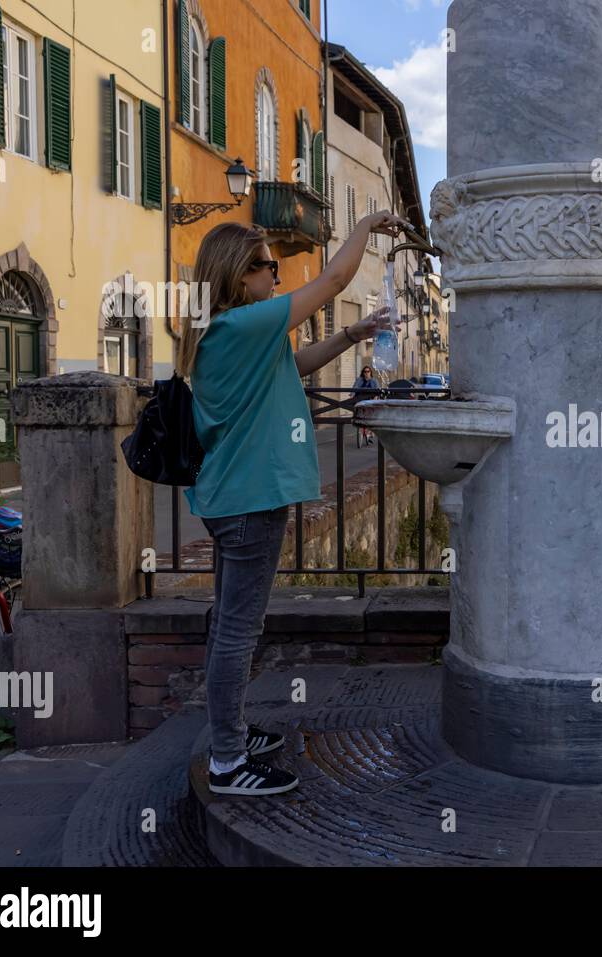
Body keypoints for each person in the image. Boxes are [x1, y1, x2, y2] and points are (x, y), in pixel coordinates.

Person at [177, 208, 409, 796]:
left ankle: (229, 733)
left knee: (231, 626)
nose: (277, 279)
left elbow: (294, 365)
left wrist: (350, 336)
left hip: (233, 496)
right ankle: (228, 762)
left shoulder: (225, 331)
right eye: (268, 268)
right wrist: (366, 227)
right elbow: (332, 282)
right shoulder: (241, 325)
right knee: (238, 630)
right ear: (238, 275)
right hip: (251, 498)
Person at [353, 365, 381, 445]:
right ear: (363, 373)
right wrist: (352, 395)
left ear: (370, 373)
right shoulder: (359, 380)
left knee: (371, 416)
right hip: (361, 400)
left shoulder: (374, 381)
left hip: (371, 400)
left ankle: (371, 432)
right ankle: (360, 427)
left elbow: (377, 391)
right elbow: (355, 388)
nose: (366, 373)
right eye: (365, 371)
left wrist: (375, 399)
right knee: (358, 413)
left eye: (368, 371)